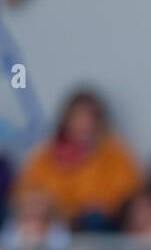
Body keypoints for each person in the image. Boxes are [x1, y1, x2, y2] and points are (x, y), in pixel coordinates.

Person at [13, 89, 143, 227]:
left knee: (94, 220)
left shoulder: (115, 152)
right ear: (66, 120)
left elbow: (129, 192)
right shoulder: (46, 154)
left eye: (90, 117)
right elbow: (26, 190)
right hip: (54, 223)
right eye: (78, 117)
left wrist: (104, 204)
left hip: (99, 223)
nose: (84, 123)